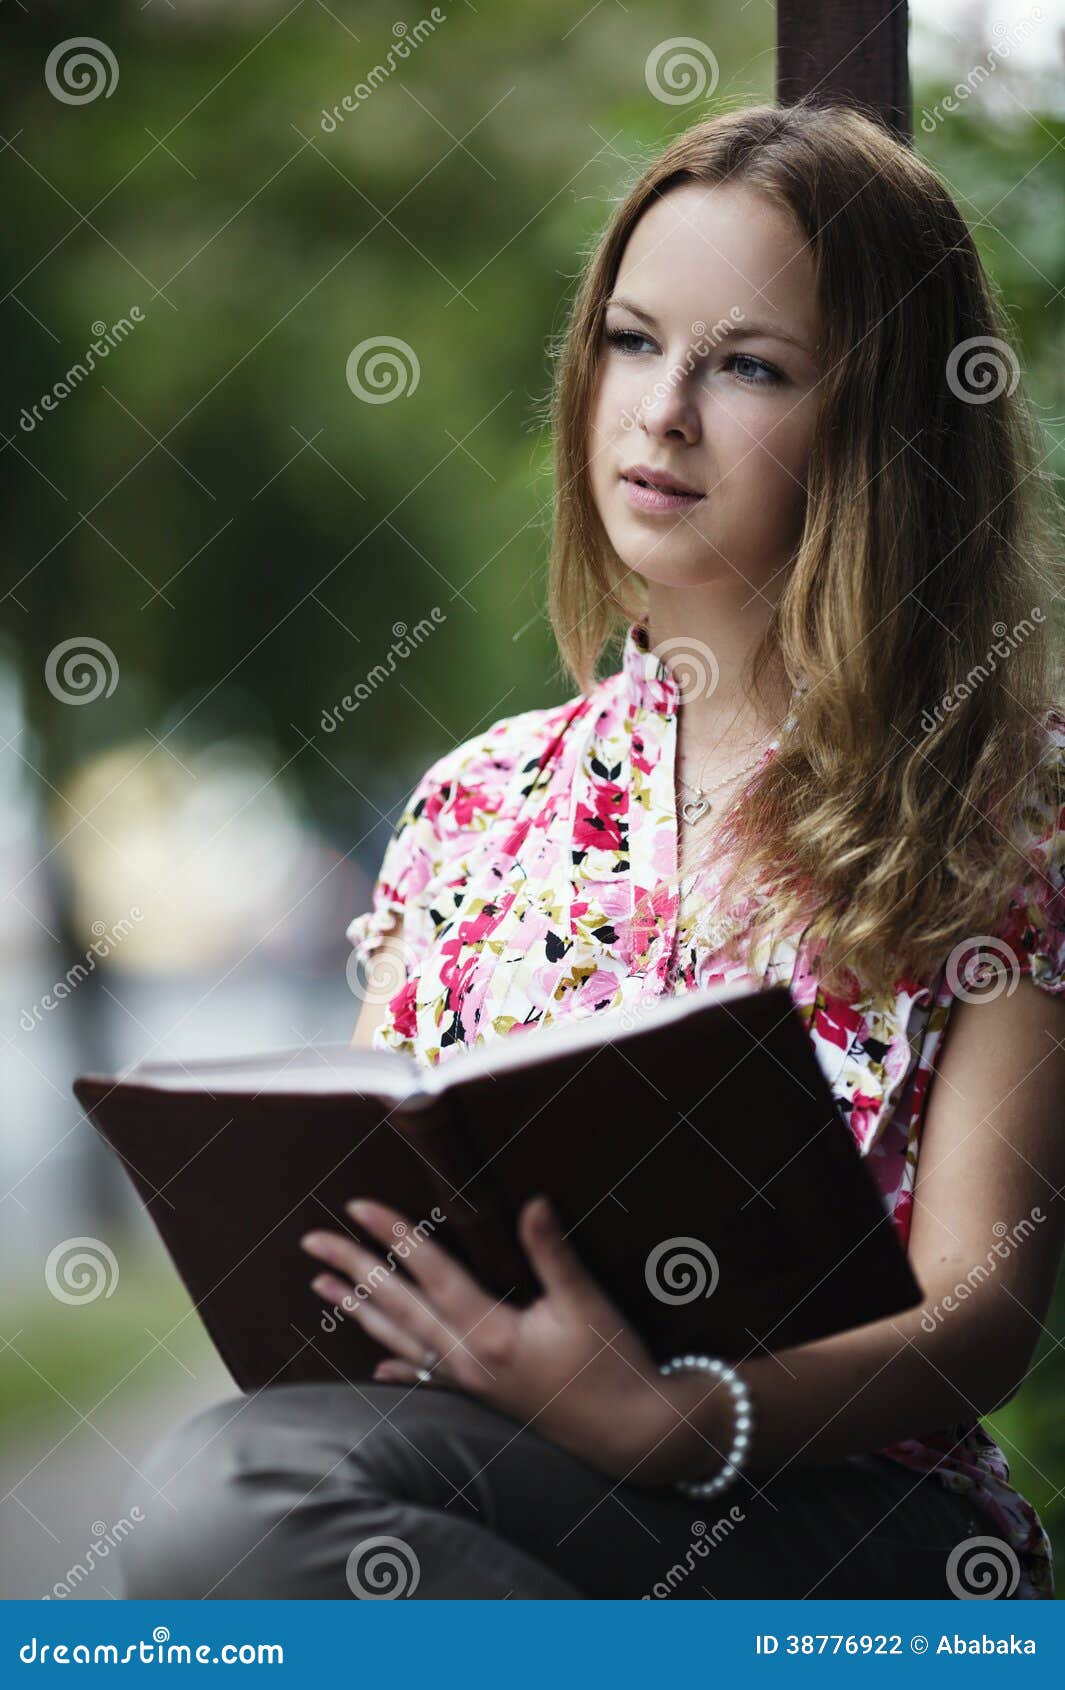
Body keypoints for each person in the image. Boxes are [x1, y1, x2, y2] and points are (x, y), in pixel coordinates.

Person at [118, 98, 1065, 1601]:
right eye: (631, 341)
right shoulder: (472, 806)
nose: (661, 409)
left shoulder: (1001, 795)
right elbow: (376, 1210)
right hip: (491, 1481)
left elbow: (985, 1304)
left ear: (882, 426)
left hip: (848, 1524)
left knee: (232, 1508)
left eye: (746, 364)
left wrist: (674, 1415)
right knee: (244, 1495)